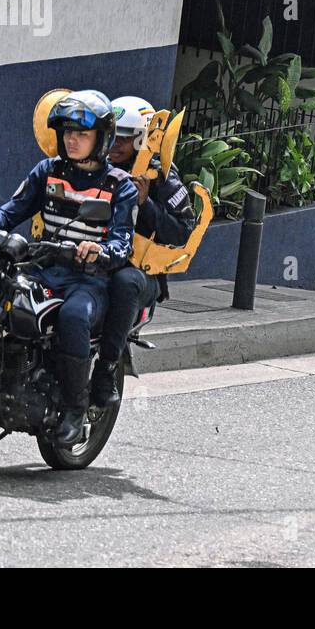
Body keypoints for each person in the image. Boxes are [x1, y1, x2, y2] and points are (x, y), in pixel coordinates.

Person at [0, 90, 138, 445]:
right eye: (67, 132)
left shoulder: (120, 186)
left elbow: (122, 243)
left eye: (81, 134)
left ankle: (74, 408)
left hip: (87, 281)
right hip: (41, 268)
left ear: (102, 139)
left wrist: (96, 251)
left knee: (73, 317)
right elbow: (12, 210)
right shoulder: (49, 170)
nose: (72, 139)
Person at [89, 96, 197, 408]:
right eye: (112, 133)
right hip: (91, 254)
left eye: (124, 136)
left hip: (140, 269)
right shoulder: (90, 163)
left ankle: (107, 368)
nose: (115, 143)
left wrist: (145, 204)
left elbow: (181, 231)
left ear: (140, 138)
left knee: (125, 282)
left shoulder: (159, 175)